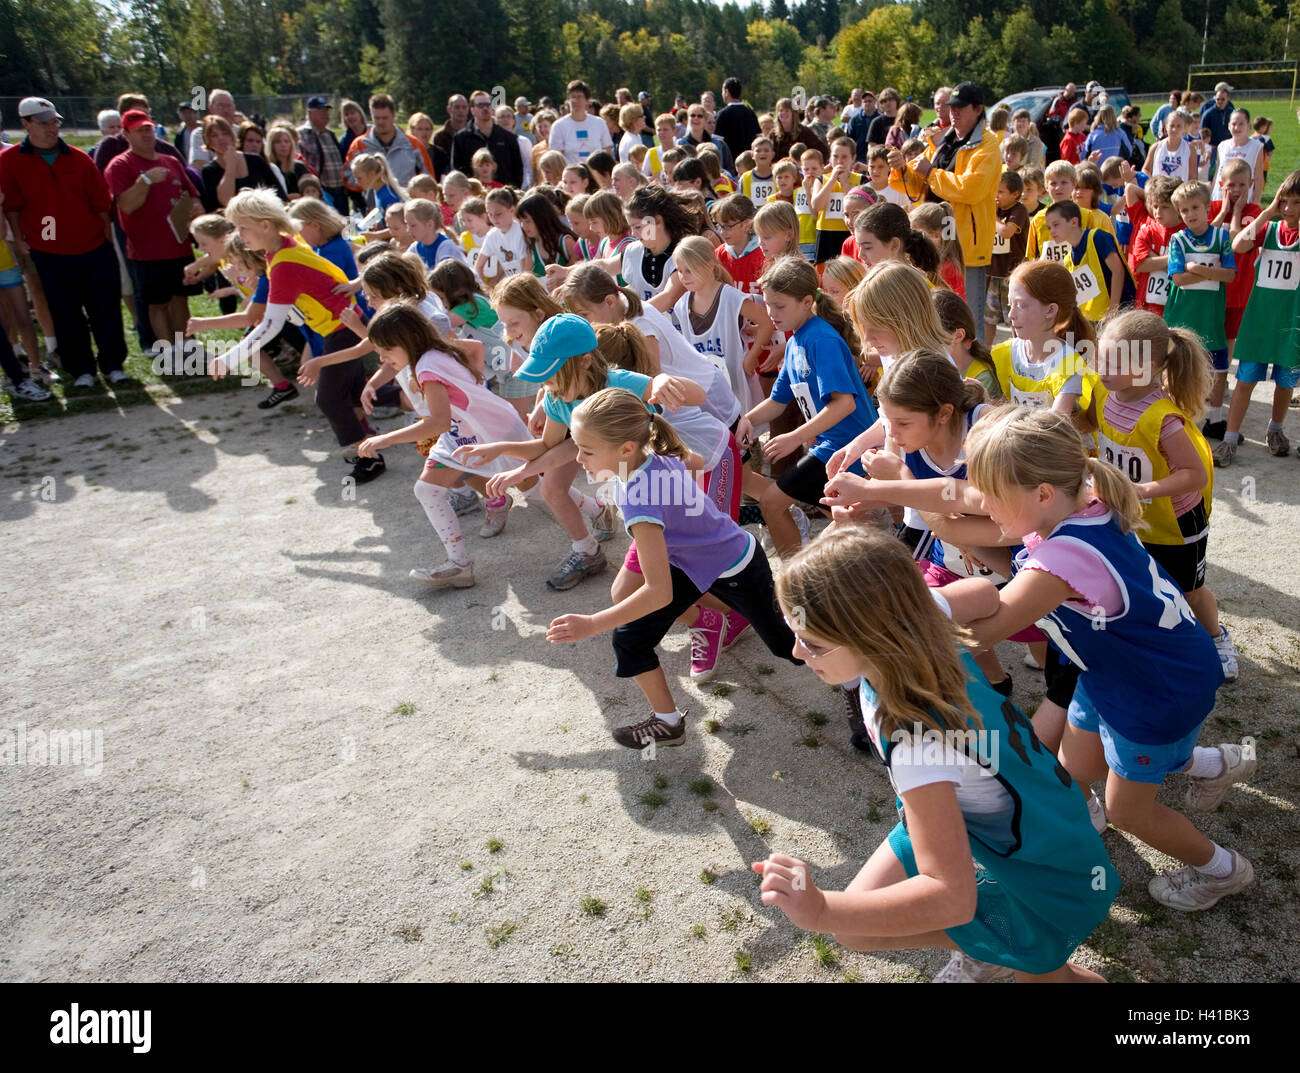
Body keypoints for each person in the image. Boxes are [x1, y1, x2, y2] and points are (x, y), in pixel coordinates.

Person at [756, 525, 1116, 983]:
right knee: (857, 930)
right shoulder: (917, 622)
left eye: (813, 642)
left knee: (1047, 973)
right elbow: (986, 593)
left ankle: (1009, 948)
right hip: (995, 807)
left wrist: (822, 909)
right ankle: (996, 948)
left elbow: (950, 897)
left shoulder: (915, 744)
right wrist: (932, 604)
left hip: (1027, 847)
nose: (796, 652)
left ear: (872, 638)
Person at [960, 407, 1256, 912]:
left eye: (989, 493)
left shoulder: (1063, 557)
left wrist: (901, 617)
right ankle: (1210, 764)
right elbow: (994, 546)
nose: (980, 503)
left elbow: (990, 626)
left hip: (1157, 693)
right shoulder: (1082, 506)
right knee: (1074, 765)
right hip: (1116, 676)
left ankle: (1222, 870)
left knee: (1129, 812)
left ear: (1042, 494)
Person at [545, 383, 799, 748]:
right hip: (693, 564)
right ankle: (667, 722)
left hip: (736, 568)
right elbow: (694, 465)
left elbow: (658, 591)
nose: (579, 459)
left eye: (586, 450)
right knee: (631, 638)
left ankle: (862, 673)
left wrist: (592, 623)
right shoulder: (649, 457)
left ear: (626, 448)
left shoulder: (639, 499)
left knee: (787, 645)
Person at [1090, 309, 1238, 679]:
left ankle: (1217, 638)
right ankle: (1153, 644)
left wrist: (1141, 490)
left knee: (1189, 591)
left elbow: (1194, 474)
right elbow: (1100, 436)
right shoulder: (1105, 395)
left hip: (1176, 524)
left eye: (1112, 361)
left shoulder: (1164, 419)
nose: (1101, 367)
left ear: (1147, 366)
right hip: (1132, 517)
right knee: (1140, 585)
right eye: (1100, 356)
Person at [355, 302, 528, 588]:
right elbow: (474, 349)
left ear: (406, 341)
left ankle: (595, 515)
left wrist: (384, 438)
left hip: (494, 431)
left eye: (386, 350)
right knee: (427, 489)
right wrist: (473, 385)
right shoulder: (432, 352)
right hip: (461, 436)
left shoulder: (426, 368)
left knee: (540, 491)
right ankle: (459, 565)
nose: (382, 359)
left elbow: (437, 423)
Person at [220, 189, 381, 483]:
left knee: (330, 399)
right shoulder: (281, 250)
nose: (239, 234)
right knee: (369, 391)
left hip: (342, 327)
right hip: (340, 325)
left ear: (265, 225)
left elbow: (271, 325)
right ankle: (414, 422)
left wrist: (230, 358)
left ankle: (369, 458)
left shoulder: (283, 261)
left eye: (243, 227)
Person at [738, 256, 877, 558]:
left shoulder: (822, 340)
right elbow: (777, 402)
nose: (771, 313)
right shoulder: (794, 343)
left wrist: (796, 437)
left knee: (774, 502)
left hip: (848, 448)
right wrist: (743, 421)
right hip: (831, 447)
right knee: (853, 525)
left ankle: (796, 578)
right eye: (768, 305)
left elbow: (844, 405)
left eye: (780, 306)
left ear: (805, 301)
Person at [0, 97, 128, 389]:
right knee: (66, 312)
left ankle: (113, 365)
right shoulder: (10, 161)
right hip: (48, 249)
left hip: (93, 246)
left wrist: (106, 242)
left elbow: (100, 203)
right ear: (26, 124)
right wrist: (19, 238)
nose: (51, 128)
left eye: (53, 122)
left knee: (104, 309)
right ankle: (82, 369)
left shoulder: (78, 157)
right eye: (43, 123)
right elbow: (13, 205)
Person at [888, 82, 999, 324]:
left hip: (965, 246)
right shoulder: (943, 141)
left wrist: (931, 173)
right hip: (933, 242)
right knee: (933, 313)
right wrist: (901, 170)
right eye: (951, 107)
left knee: (967, 320)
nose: (953, 112)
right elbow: (917, 184)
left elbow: (971, 189)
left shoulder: (988, 145)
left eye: (960, 107)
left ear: (979, 109)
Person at [1216, 172, 1300, 466]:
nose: (1288, 209)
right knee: (1244, 381)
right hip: (1259, 319)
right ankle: (1229, 439)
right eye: (1284, 202)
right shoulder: (1272, 228)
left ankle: (1275, 430)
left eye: (1296, 203)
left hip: (1290, 321)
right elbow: (1238, 244)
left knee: (1285, 382)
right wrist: (1268, 211)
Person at [104, 109, 202, 355]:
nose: (146, 134)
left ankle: (185, 344)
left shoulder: (170, 161)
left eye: (148, 128)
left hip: (177, 244)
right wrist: (145, 181)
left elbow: (191, 195)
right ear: (126, 134)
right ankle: (167, 350)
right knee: (157, 302)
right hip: (146, 250)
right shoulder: (120, 165)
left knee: (181, 297)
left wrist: (194, 208)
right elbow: (125, 205)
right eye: (139, 130)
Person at [1166, 180, 1236, 439]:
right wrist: (1209, 273)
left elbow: (1229, 275)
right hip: (1182, 316)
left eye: (1195, 207)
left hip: (1211, 318)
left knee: (1217, 370)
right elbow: (1177, 279)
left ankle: (1215, 420)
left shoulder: (1221, 237)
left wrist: (1197, 269)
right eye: (1184, 210)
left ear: (1207, 207)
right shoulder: (1178, 239)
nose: (1190, 214)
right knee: (1177, 369)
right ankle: (1175, 418)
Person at [989, 260, 1098, 413]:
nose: (1011, 314)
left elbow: (1055, 427)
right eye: (1010, 305)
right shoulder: (1004, 354)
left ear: (1050, 310)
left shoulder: (1068, 365)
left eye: (1021, 305)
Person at [1043, 200, 1135, 322]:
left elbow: (1118, 271)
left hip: (1121, 315)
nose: (1052, 232)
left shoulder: (1098, 237)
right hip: (1095, 320)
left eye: (1056, 225)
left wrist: (1113, 309)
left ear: (1074, 222)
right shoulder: (1068, 259)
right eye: (1049, 227)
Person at [346, 94, 434, 191]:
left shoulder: (413, 145)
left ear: (393, 116)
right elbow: (348, 178)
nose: (380, 122)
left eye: (384, 118)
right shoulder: (359, 145)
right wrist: (370, 185)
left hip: (406, 202)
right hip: (372, 203)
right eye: (377, 118)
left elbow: (429, 179)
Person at [197, 115, 284, 212]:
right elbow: (226, 201)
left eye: (225, 134)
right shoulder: (209, 171)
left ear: (231, 136)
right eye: (214, 136)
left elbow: (279, 193)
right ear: (208, 141)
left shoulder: (255, 160)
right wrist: (230, 166)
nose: (221, 138)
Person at [297, 96, 348, 213]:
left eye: (326, 111)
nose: (325, 114)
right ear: (310, 113)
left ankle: (349, 232)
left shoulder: (330, 134)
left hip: (340, 191)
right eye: (321, 111)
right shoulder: (302, 134)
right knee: (329, 226)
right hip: (322, 192)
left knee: (347, 226)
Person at [549, 80, 614, 166]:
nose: (576, 101)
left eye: (580, 97)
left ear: (587, 100)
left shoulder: (599, 123)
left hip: (595, 174)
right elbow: (556, 157)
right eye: (573, 97)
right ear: (568, 100)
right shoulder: (558, 126)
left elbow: (607, 151)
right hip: (571, 174)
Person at [1210, 109, 1265, 206]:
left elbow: (1259, 177)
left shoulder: (1256, 147)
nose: (1237, 127)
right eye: (1234, 124)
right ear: (1229, 125)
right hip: (1220, 196)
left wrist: (1256, 202)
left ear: (1248, 126)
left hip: (1242, 197)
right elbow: (1218, 172)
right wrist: (1211, 196)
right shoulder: (1223, 146)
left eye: (1241, 124)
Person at [189, 89, 239, 166]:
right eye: (221, 106)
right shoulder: (201, 134)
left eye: (229, 106)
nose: (225, 110)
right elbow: (200, 165)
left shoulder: (240, 131)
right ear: (211, 107)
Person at [772, 97, 827, 163]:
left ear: (793, 113)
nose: (783, 113)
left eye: (787, 111)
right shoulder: (773, 134)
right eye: (781, 110)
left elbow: (823, 151)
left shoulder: (804, 132)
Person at [432, 95, 471, 170]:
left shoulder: (475, 134)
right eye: (457, 107)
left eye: (464, 107)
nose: (461, 110)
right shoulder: (440, 136)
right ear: (449, 109)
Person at [1200, 83, 1236, 151]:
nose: (1220, 101)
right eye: (1218, 99)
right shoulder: (1208, 114)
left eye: (1223, 99)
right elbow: (1202, 132)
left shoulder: (1232, 113)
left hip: (1229, 147)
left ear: (1228, 98)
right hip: (1213, 148)